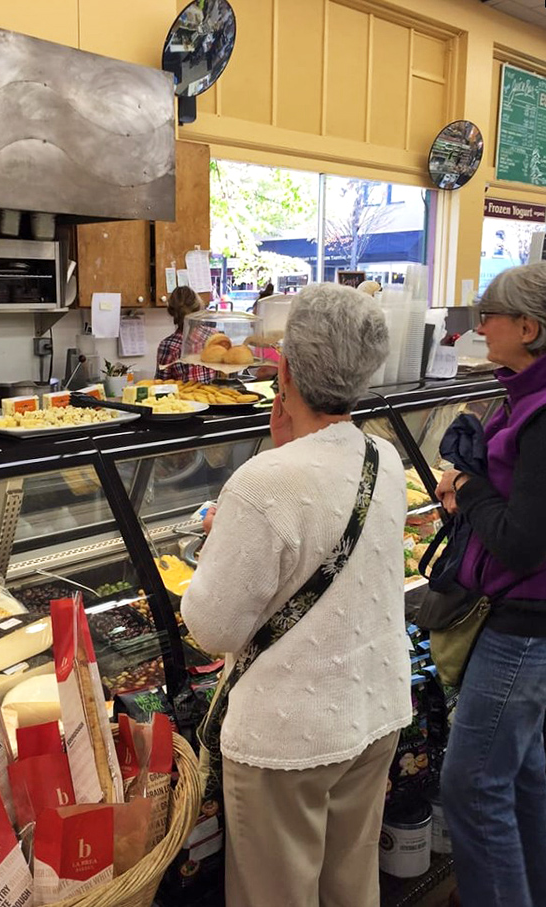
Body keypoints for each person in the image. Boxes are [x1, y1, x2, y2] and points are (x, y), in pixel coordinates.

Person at [182, 282, 412, 907]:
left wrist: (214, 541)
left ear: (282, 368)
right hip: (373, 713)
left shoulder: (262, 483)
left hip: (289, 742)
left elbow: (213, 628)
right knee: (349, 886)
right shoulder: (384, 458)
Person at [435, 261, 546, 907]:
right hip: (520, 618)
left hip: (523, 625)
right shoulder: (522, 394)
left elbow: (524, 541)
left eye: (488, 315)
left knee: (473, 784)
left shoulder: (540, 413)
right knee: (526, 770)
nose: (479, 326)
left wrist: (469, 488)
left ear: (528, 326)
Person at [155, 286, 217, 383]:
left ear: (172, 312)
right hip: (214, 395)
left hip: (183, 396)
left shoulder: (168, 345)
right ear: (199, 308)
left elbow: (161, 385)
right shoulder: (214, 336)